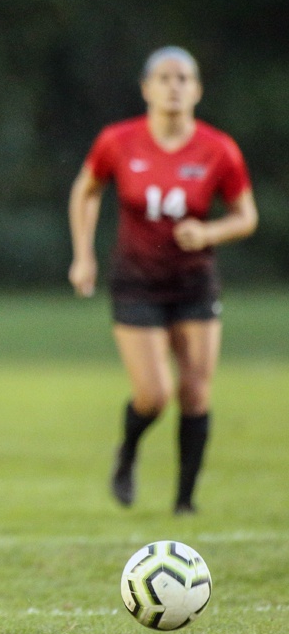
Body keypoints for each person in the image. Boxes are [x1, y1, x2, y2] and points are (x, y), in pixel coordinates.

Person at [68, 46, 258, 515]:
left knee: (195, 390)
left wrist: (209, 230)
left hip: (194, 284)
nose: (174, 86)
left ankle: (185, 503)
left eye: (184, 78)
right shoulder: (118, 140)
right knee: (154, 395)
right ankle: (128, 452)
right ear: (146, 87)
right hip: (137, 281)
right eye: (165, 78)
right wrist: (82, 254)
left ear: (197, 89)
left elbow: (246, 216)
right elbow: (86, 190)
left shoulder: (219, 149)